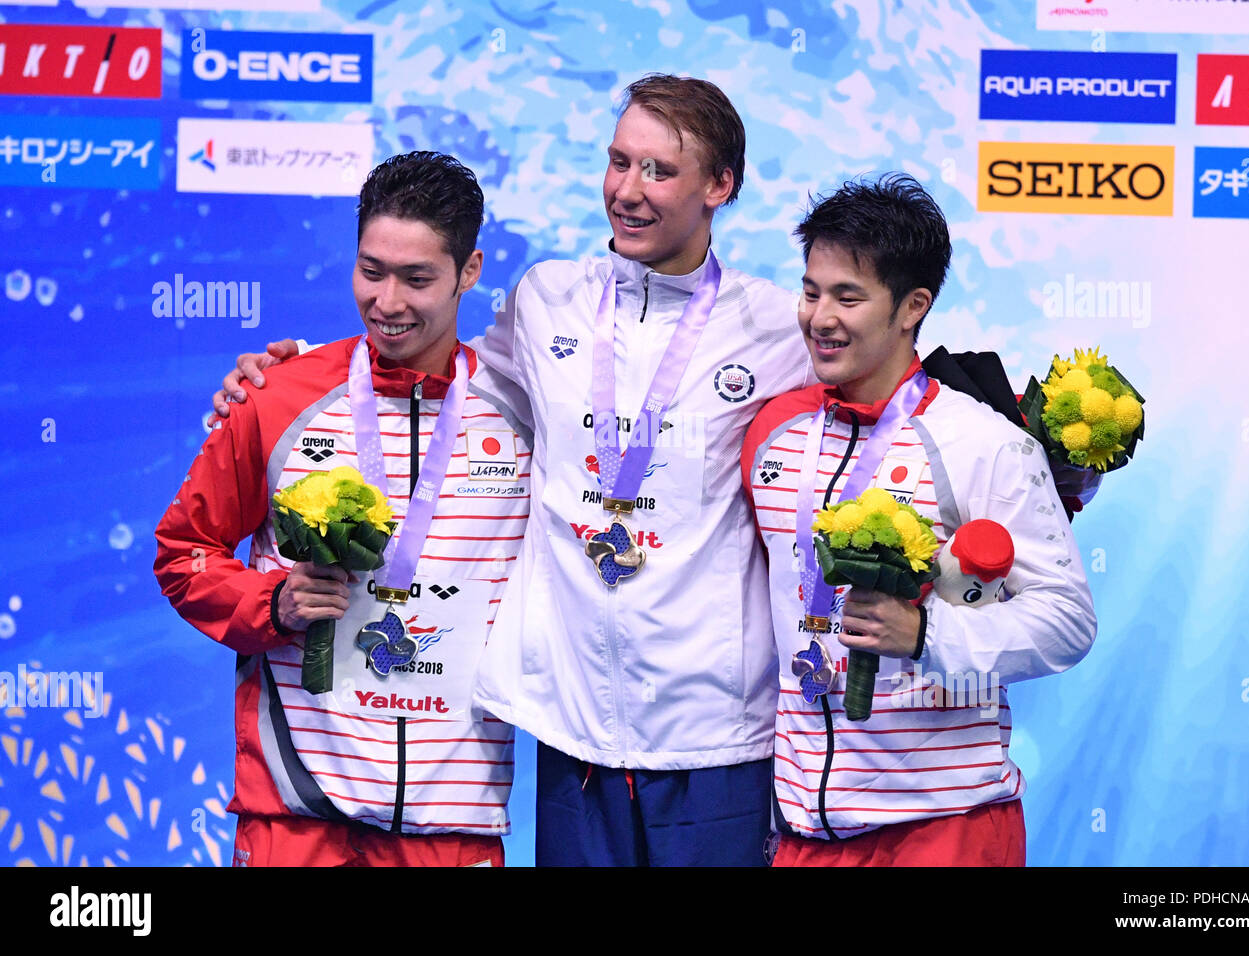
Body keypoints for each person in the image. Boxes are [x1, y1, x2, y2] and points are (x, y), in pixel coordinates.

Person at [209, 74, 818, 867]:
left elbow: (883, 388)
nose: (627, 192)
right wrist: (292, 375)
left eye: (658, 172)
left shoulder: (778, 324)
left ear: (720, 186)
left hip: (716, 732)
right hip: (572, 735)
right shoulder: (547, 300)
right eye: (617, 162)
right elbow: (438, 371)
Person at [156, 151, 532, 866]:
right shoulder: (278, 397)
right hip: (297, 818)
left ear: (470, 271)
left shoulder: (523, 411)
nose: (387, 302)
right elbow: (184, 551)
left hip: (452, 821)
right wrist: (273, 603)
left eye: (417, 279)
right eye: (371, 271)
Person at [739, 174, 1097, 866]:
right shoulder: (775, 433)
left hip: (945, 829)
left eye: (848, 296)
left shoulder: (983, 441)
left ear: (913, 307)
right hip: (805, 835)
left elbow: (1067, 621)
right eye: (811, 291)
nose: (820, 317)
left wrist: (929, 633)